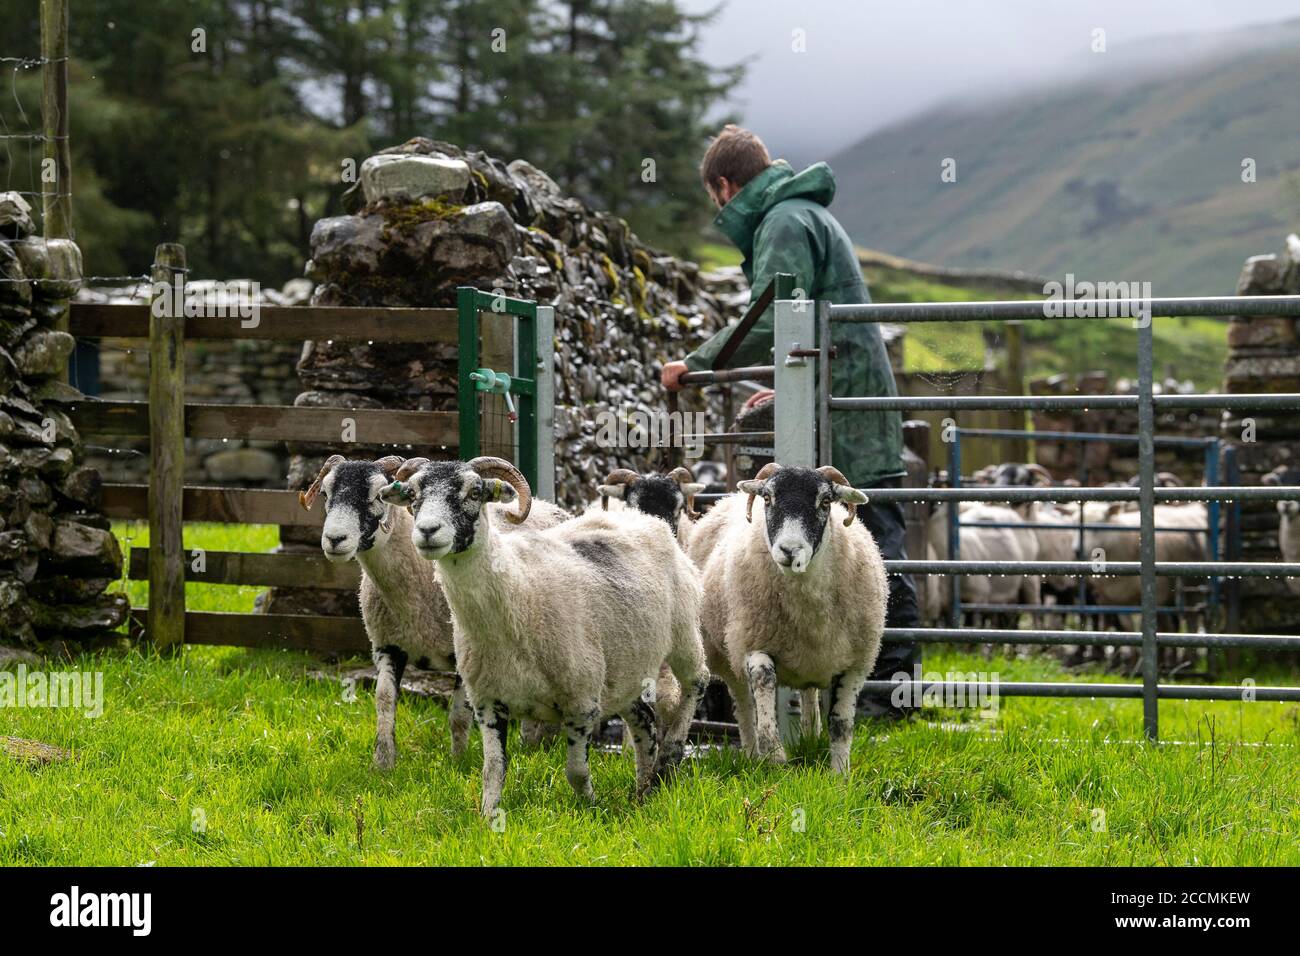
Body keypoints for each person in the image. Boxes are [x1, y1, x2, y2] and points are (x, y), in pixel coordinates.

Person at [661, 124, 919, 719]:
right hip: (846, 399)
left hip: (845, 416)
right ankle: (880, 693)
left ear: (724, 187)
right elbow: (806, 325)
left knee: (875, 547)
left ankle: (885, 697)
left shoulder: (781, 223)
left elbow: (779, 317)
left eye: (714, 198)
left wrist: (697, 365)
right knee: (876, 543)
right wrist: (784, 382)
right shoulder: (801, 215)